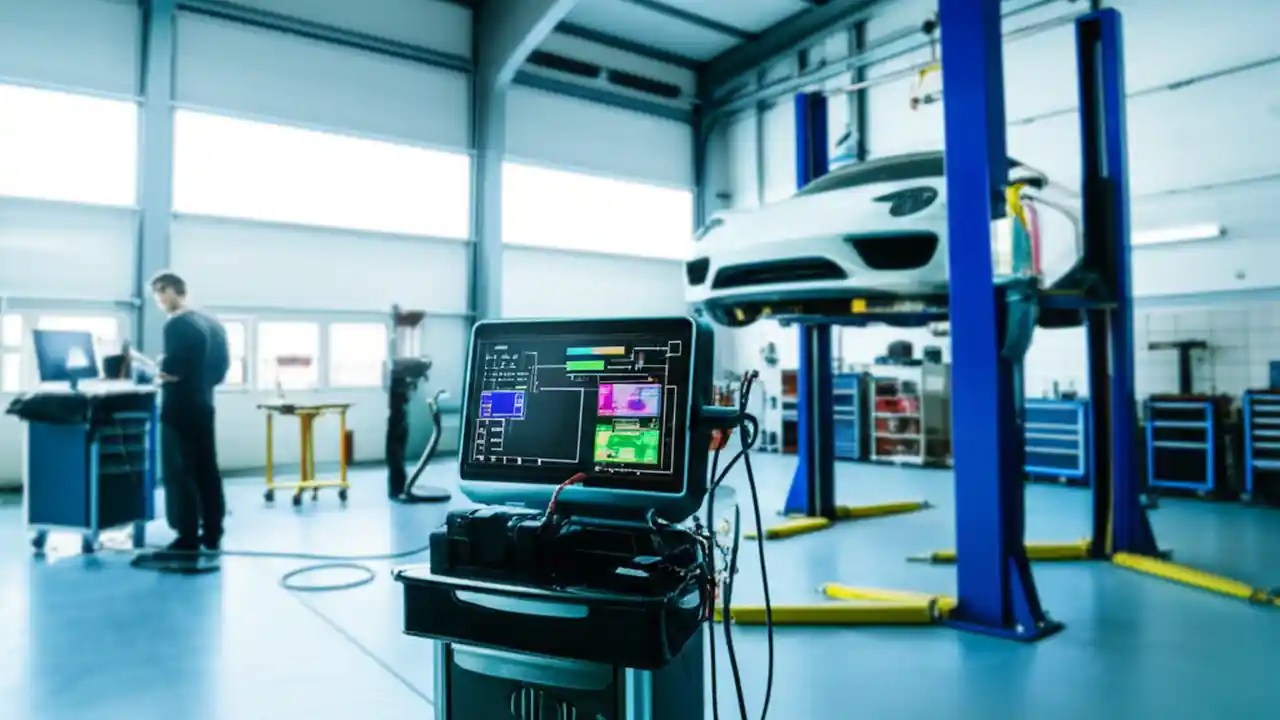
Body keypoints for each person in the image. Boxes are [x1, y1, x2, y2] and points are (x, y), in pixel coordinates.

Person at [150, 271, 230, 553]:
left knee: (179, 471)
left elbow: (173, 369)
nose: (159, 300)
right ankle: (213, 530)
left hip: (179, 408)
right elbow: (221, 370)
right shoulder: (212, 323)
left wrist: (160, 368)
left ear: (172, 290)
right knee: (207, 467)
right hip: (204, 404)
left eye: (160, 293)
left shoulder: (177, 324)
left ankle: (186, 535)